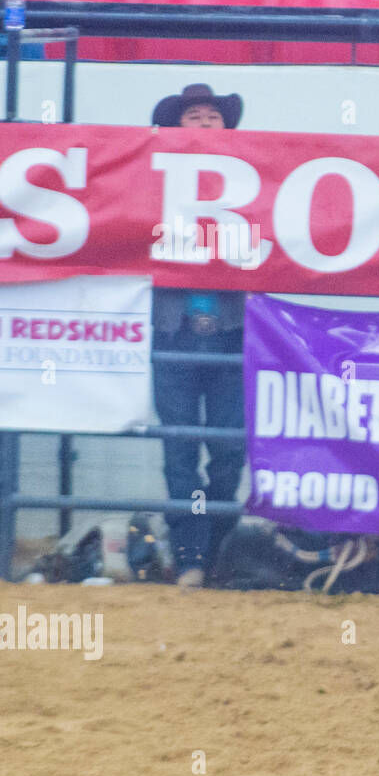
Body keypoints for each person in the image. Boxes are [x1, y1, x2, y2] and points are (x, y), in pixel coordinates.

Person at [150, 84, 247, 588]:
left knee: (230, 451)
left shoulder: (253, 185)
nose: (206, 124)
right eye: (195, 116)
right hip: (176, 332)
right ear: (176, 127)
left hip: (232, 332)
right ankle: (192, 555)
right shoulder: (150, 183)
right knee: (181, 451)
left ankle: (212, 553)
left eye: (213, 116)